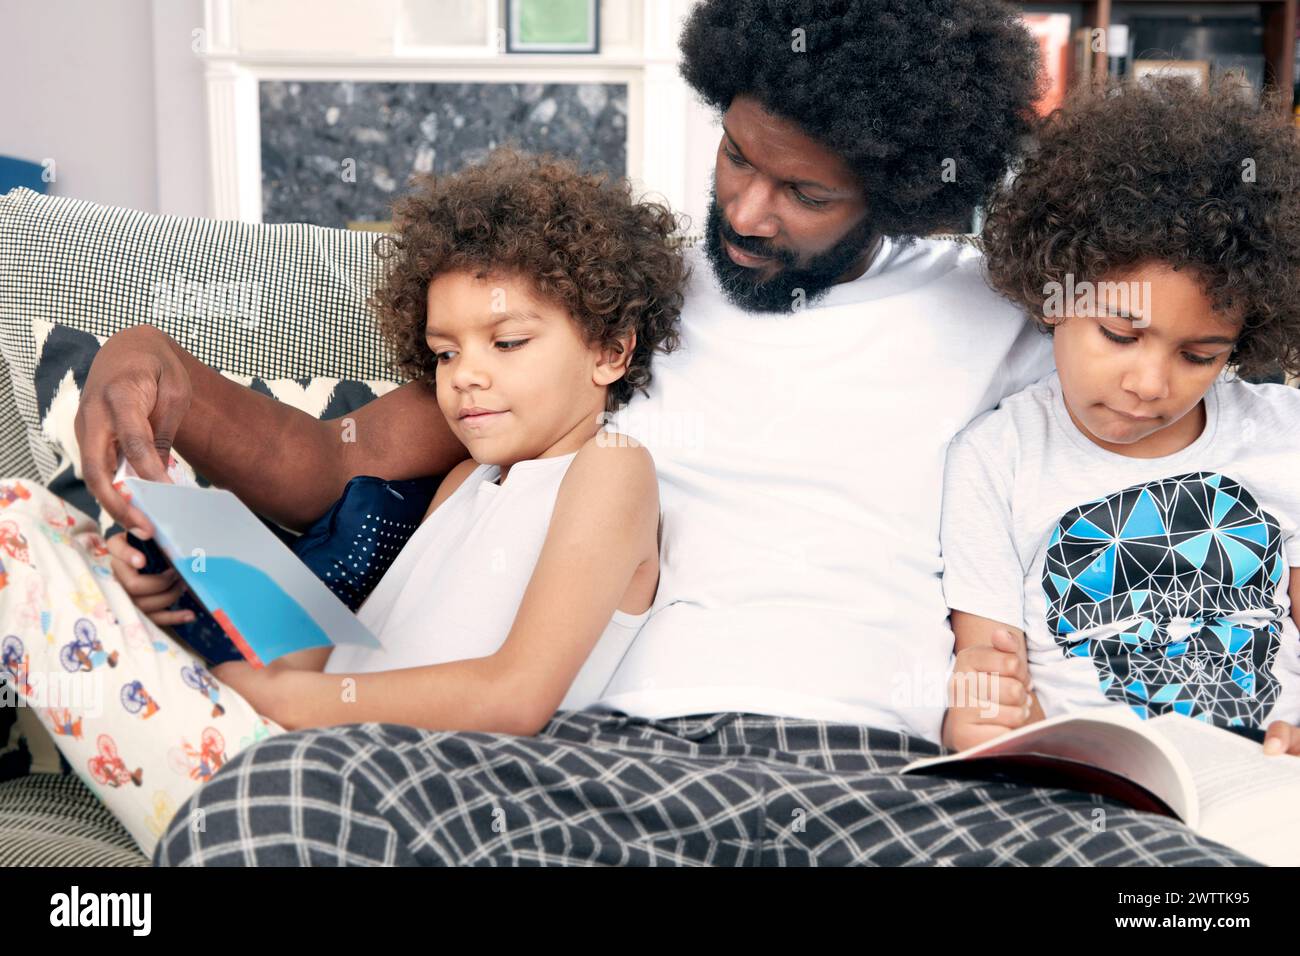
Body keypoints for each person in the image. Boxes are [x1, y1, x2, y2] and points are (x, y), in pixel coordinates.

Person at [77, 0, 1256, 865]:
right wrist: (157, 364)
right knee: (272, 801)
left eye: (804, 194)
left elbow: (1200, 373)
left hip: (883, 776)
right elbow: (328, 459)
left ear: (895, 193)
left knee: (1185, 882)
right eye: (738, 156)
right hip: (593, 759)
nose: (746, 210)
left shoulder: (998, 317)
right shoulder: (610, 298)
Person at [1, 147, 685, 858]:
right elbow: (326, 661)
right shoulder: (461, 484)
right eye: (445, 353)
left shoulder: (610, 469)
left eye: (507, 341)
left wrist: (289, 704)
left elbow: (513, 696)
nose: (466, 377)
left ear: (610, 351)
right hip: (303, 748)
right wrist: (175, 596)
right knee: (37, 519)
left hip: (396, 801)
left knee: (10, 531)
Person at [940, 78, 1300, 757]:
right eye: (1119, 335)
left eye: (1199, 355)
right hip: (1093, 777)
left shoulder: (1285, 436)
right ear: (1055, 296)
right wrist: (984, 713)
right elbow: (986, 651)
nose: (1149, 385)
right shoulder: (1000, 456)